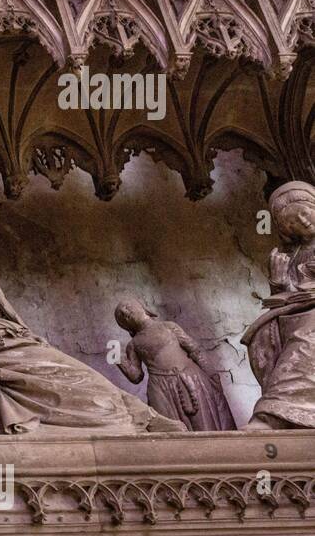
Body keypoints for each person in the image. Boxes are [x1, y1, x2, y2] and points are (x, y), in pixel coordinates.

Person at [0, 227, 183, 434]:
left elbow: (8, 313)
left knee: (83, 375)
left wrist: (25, 335)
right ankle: (132, 419)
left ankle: (142, 415)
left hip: (12, 340)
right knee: (74, 381)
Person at [241, 180, 315, 429]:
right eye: (293, 221)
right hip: (295, 314)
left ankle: (275, 411)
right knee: (262, 334)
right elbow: (287, 296)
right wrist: (280, 282)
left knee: (308, 335)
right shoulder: (293, 255)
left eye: (305, 212)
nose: (303, 221)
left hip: (309, 319)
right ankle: (284, 412)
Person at [114, 298, 236, 432]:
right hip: (161, 388)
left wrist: (210, 372)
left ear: (144, 308)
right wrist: (116, 358)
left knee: (204, 424)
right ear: (125, 325)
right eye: (121, 315)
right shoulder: (133, 344)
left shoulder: (169, 326)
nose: (126, 312)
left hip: (189, 377)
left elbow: (194, 350)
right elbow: (136, 377)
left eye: (128, 307)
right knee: (168, 429)